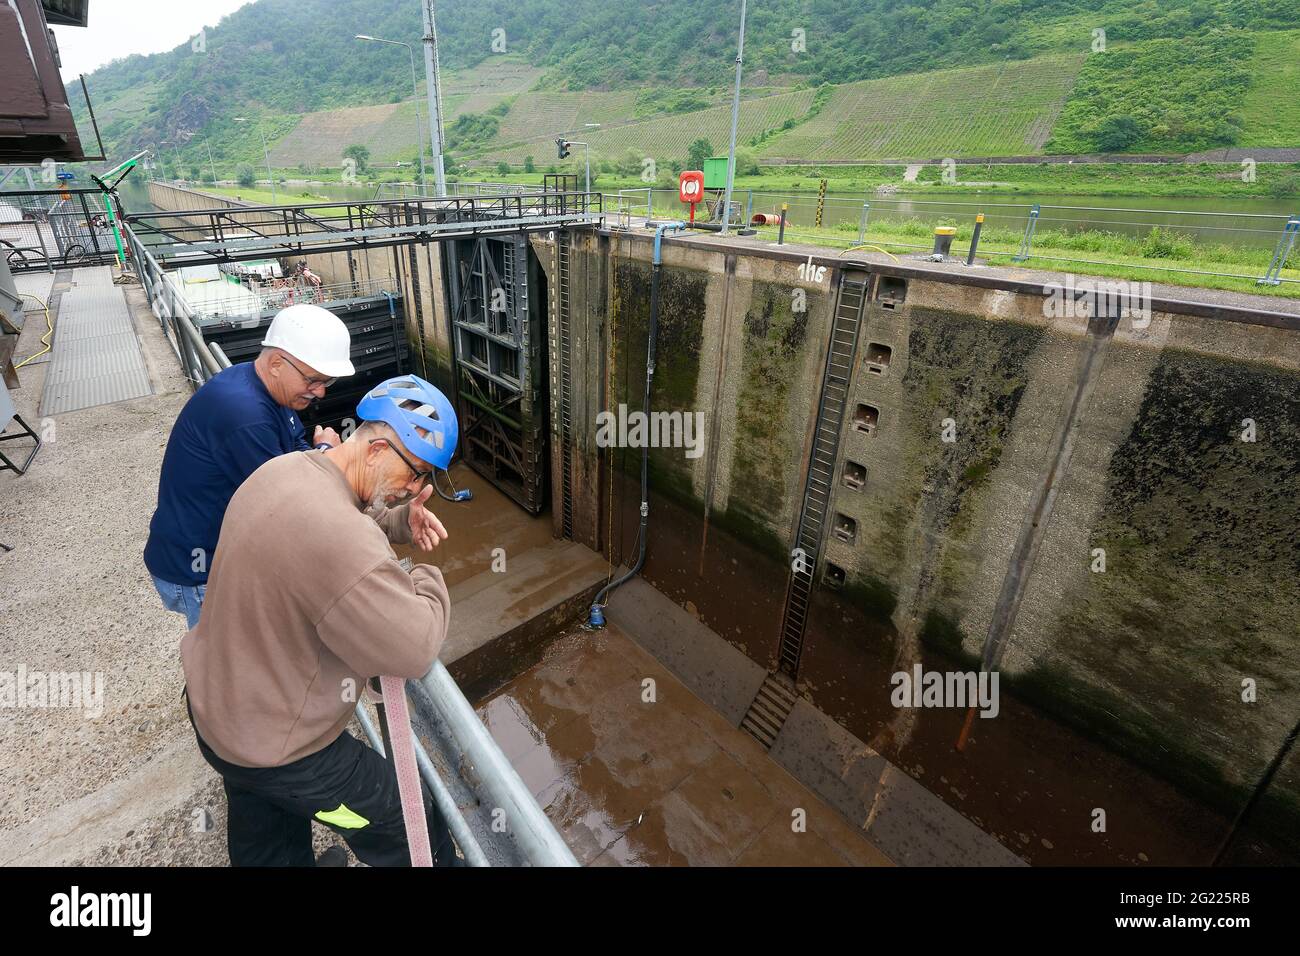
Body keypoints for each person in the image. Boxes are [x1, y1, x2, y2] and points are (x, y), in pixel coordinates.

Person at [181, 376, 462, 867]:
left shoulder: (286, 470)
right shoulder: (340, 538)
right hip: (281, 752)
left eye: (425, 482)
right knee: (404, 823)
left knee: (265, 838)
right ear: (377, 449)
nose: (415, 490)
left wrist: (395, 522)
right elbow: (415, 646)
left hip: (216, 711)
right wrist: (425, 576)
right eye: (416, 473)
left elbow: (326, 533)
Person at [144, 303, 354, 628]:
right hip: (201, 570)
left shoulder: (265, 389)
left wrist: (318, 456)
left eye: (327, 381)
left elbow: (296, 443)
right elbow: (293, 503)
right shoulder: (245, 415)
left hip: (211, 553)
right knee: (224, 664)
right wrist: (326, 449)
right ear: (275, 363)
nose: (321, 392)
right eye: (313, 380)